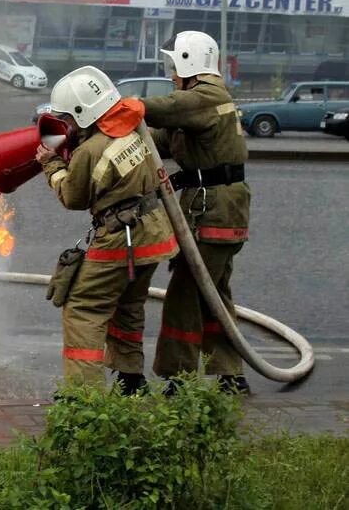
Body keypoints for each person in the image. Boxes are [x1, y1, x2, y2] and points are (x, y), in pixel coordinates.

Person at [37, 66, 179, 394]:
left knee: (83, 307)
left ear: (81, 113)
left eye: (67, 118)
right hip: (154, 235)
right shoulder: (131, 128)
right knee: (128, 305)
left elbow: (73, 197)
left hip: (120, 237)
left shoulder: (90, 150)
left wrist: (51, 163)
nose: (66, 126)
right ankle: (131, 380)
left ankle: (83, 395)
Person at [138, 31, 251, 394]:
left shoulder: (206, 96)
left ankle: (179, 378)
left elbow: (167, 107)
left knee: (186, 295)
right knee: (214, 292)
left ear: (190, 62)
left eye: (174, 66)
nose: (172, 74)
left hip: (214, 211)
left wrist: (126, 107)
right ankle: (230, 374)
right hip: (216, 208)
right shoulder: (199, 107)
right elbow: (156, 139)